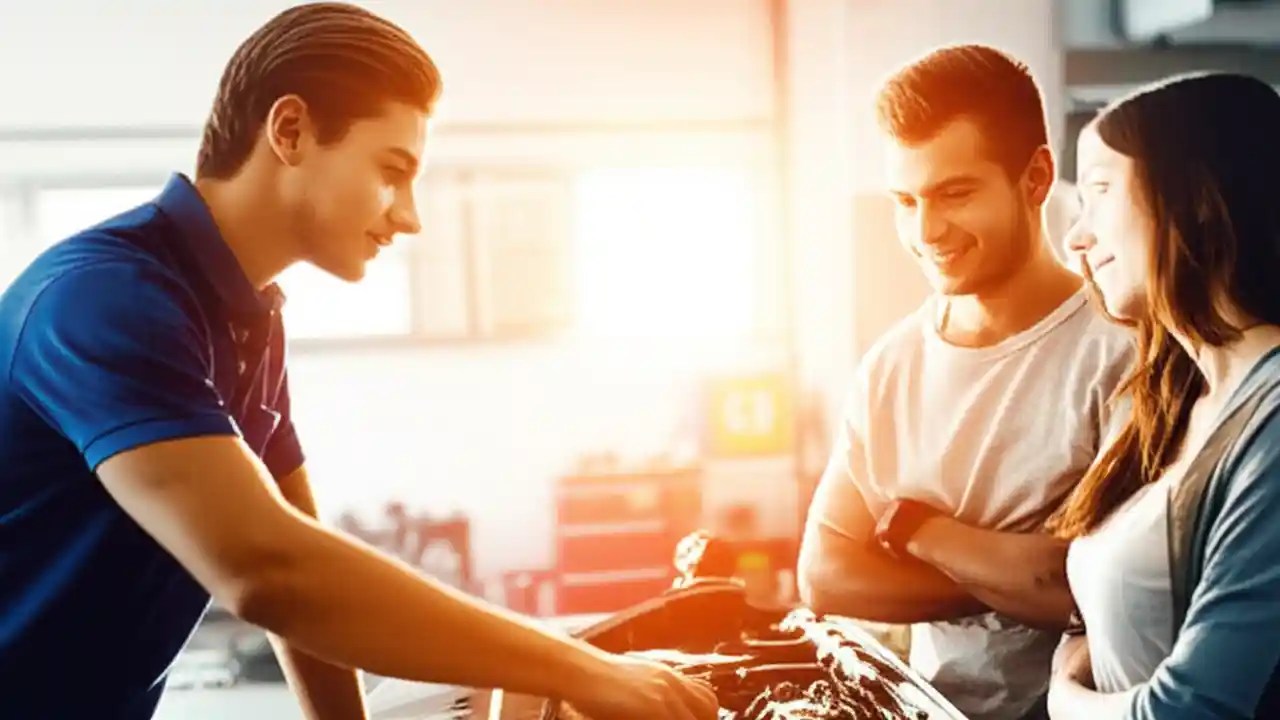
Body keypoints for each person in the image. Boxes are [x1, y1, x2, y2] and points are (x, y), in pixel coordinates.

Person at [0, 5, 717, 720]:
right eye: (392, 170)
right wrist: (589, 672)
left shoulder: (244, 316)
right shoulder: (105, 298)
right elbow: (267, 570)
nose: (410, 215)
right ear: (290, 131)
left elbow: (298, 552)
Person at [796, 44, 1134, 720]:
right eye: (905, 200)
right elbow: (825, 574)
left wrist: (917, 530)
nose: (926, 230)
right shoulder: (891, 367)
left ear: (1036, 177)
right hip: (928, 708)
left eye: (955, 194)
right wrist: (1003, 580)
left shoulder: (1123, 352)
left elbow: (1087, 592)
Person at [1048, 72, 1280, 719]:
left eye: (1099, 191)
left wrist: (1063, 701)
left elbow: (1187, 711)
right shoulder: (1181, 399)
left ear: (1199, 195)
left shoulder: (1273, 422)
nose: (1077, 238)